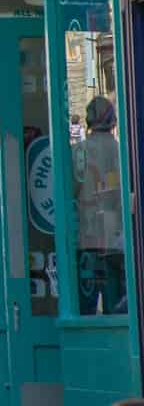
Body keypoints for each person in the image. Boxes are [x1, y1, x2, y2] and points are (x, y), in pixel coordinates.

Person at [74, 96, 125, 314]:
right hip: (114, 237)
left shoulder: (78, 151)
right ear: (113, 120)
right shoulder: (122, 151)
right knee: (115, 306)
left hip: (86, 235)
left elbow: (71, 190)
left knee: (85, 307)